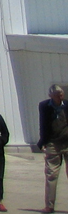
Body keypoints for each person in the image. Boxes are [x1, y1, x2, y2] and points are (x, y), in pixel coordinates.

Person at [38, 84, 68, 213]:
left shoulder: (67, 105)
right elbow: (43, 124)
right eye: (57, 95)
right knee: (51, 174)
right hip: (52, 143)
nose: (60, 97)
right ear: (51, 96)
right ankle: (49, 206)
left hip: (67, 142)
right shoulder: (44, 106)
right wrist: (42, 141)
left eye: (61, 94)